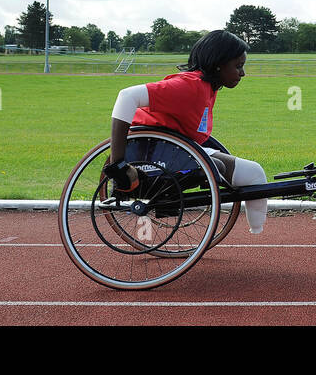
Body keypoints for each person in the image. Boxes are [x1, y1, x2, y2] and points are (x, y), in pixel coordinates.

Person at [104, 30, 269, 234]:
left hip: (179, 150)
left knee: (254, 174)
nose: (242, 73)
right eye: (238, 66)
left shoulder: (208, 87)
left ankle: (258, 232)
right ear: (218, 64)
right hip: (152, 153)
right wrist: (118, 165)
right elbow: (126, 96)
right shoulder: (190, 86)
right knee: (214, 166)